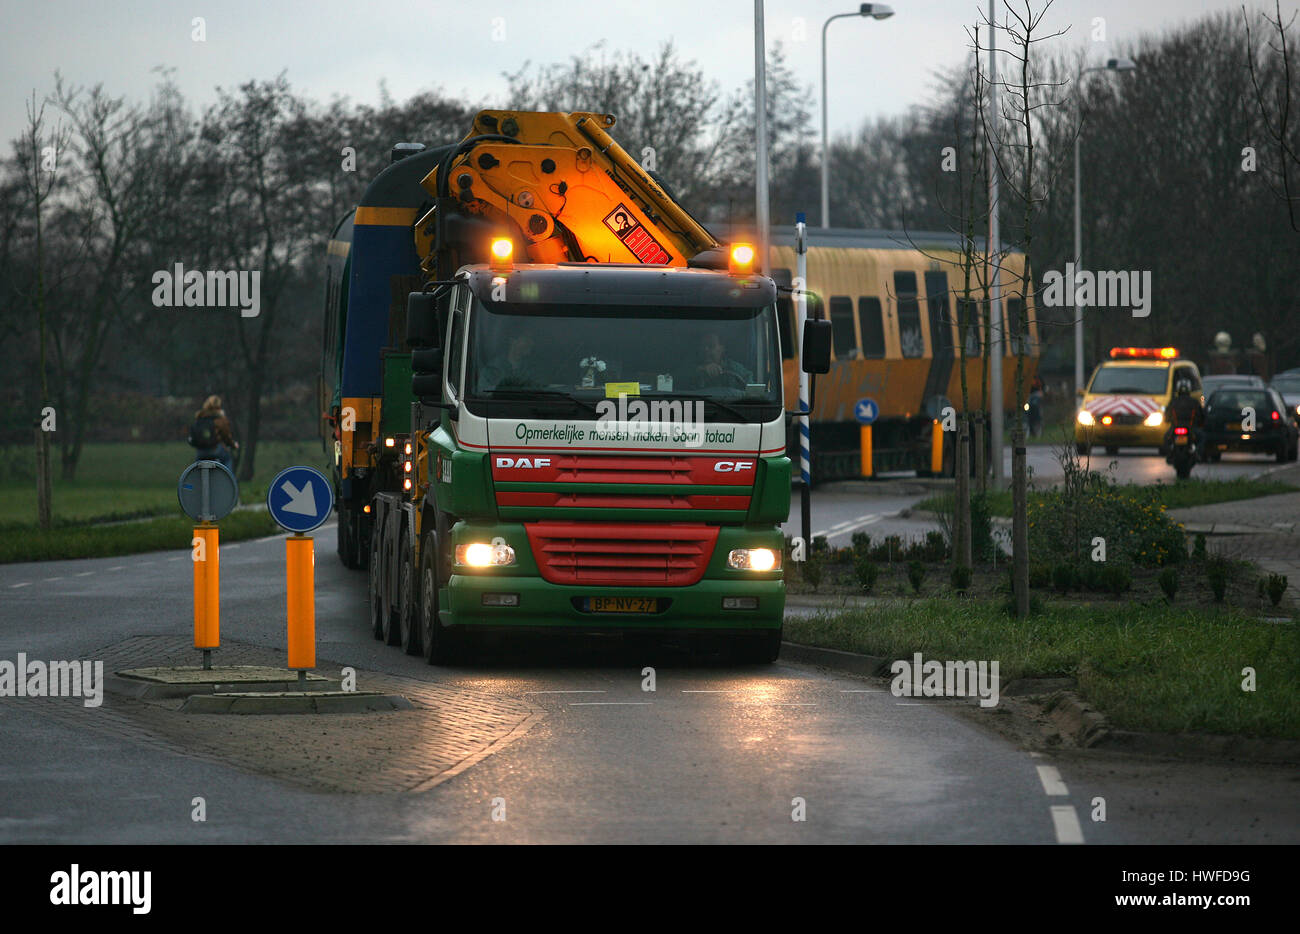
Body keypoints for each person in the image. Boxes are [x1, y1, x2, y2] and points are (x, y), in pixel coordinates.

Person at [188, 395, 239, 471]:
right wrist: (233, 445)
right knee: (227, 458)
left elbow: (192, 437)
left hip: (200, 452)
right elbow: (226, 437)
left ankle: (197, 479)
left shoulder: (200, 418)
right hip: (215, 450)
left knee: (198, 465)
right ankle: (228, 480)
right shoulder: (220, 419)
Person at [1164, 379, 1204, 459]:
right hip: (1191, 428)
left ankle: (1169, 455)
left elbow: (1167, 415)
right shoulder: (1194, 402)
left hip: (1175, 427)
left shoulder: (1173, 401)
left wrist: (1168, 420)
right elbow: (1201, 415)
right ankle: (1198, 454)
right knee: (1203, 437)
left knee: (1166, 438)